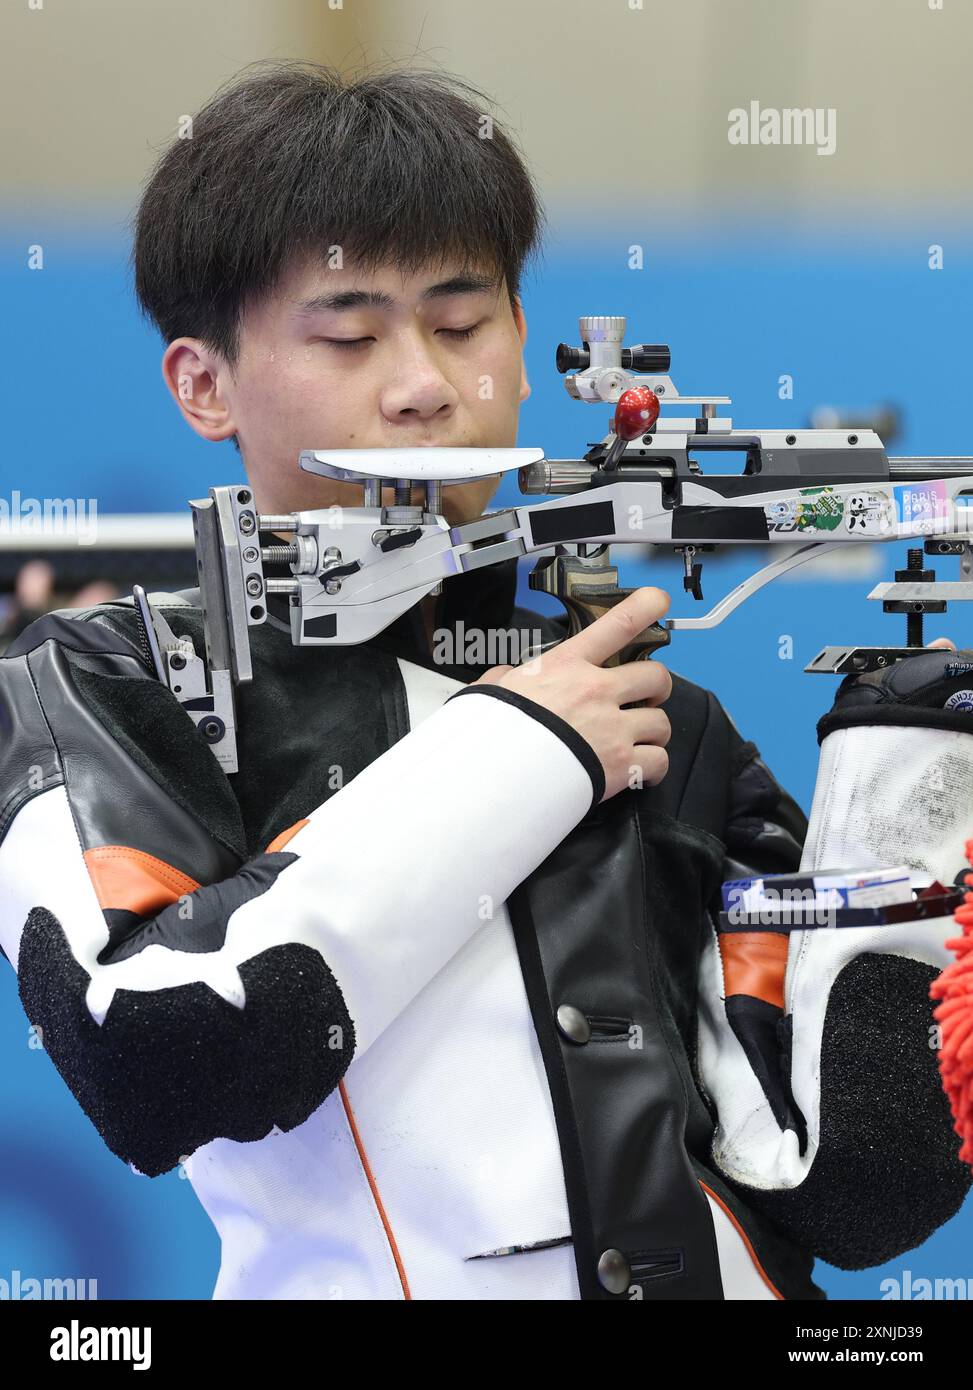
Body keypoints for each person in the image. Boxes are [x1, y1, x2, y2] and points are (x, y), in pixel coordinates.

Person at [0, 60, 968, 1301]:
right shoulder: (106, 684)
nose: (424, 385)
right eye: (349, 333)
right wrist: (519, 748)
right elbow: (151, 1057)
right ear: (202, 383)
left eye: (463, 325)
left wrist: (917, 775)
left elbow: (852, 1192)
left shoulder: (653, 710)